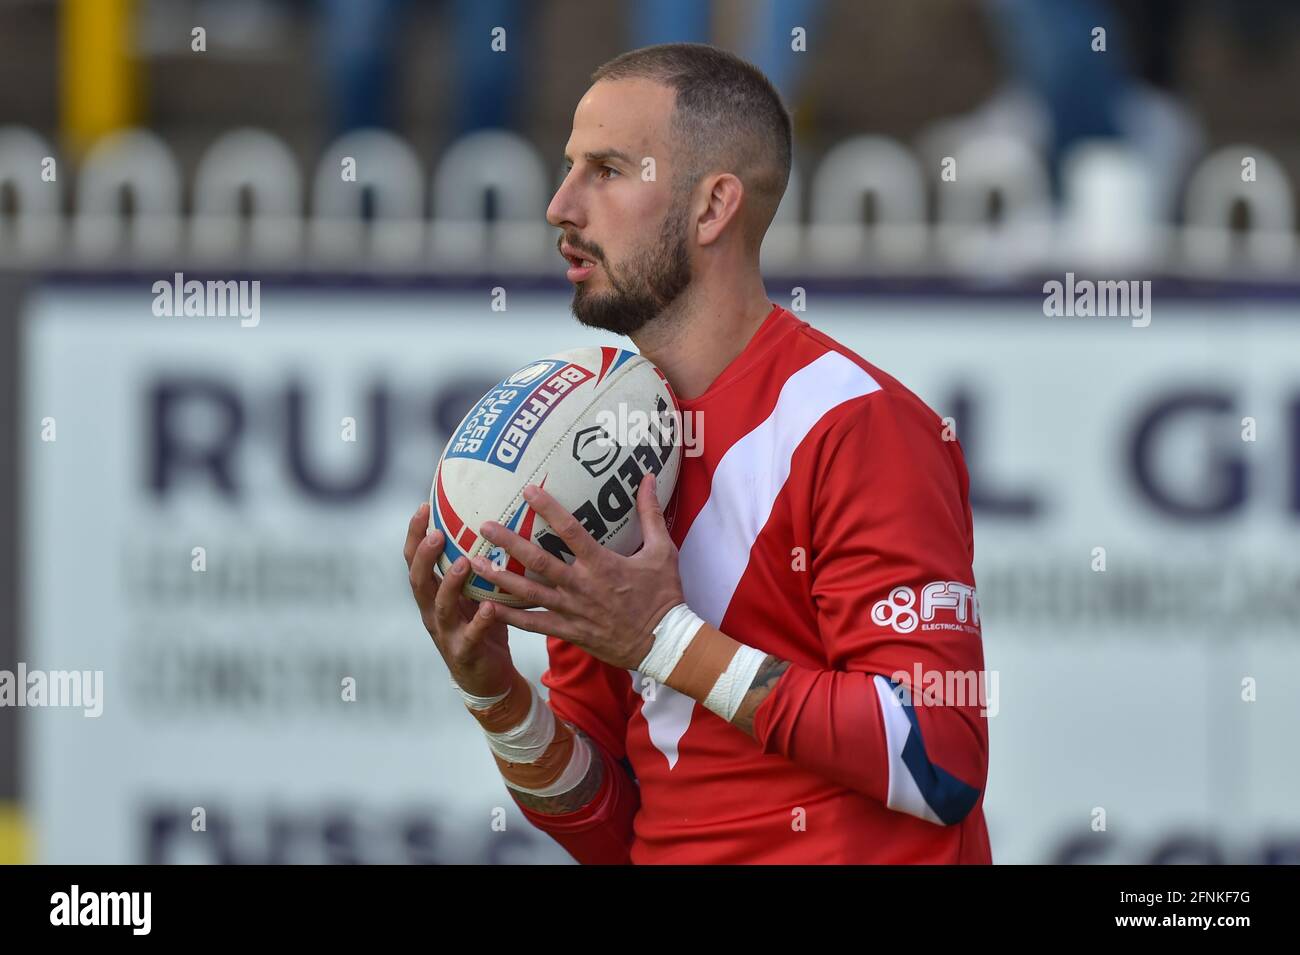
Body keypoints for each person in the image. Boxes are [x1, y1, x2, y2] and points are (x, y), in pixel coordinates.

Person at [404, 43, 992, 864]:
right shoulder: (588, 456)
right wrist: (500, 700)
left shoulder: (856, 424)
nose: (560, 206)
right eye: (569, 167)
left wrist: (663, 641)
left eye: (606, 170)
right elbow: (615, 829)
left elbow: (937, 757)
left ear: (714, 207)